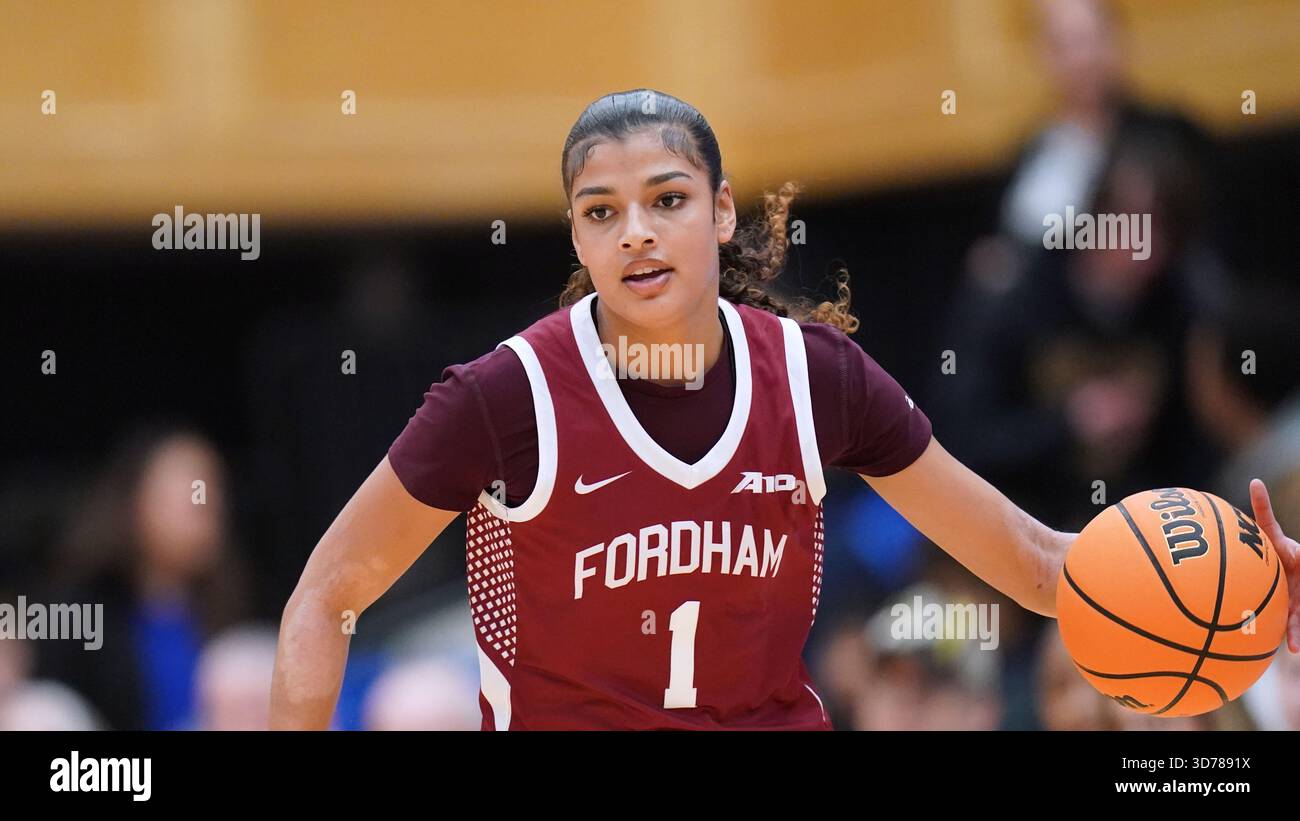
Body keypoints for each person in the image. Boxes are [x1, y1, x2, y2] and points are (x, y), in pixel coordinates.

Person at [269, 89, 1300, 730]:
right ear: (577, 241)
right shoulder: (505, 395)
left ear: (720, 212)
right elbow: (326, 595)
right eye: (601, 212)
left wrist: (1251, 601)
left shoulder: (816, 378)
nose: (636, 232)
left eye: (668, 198)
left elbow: (1035, 563)